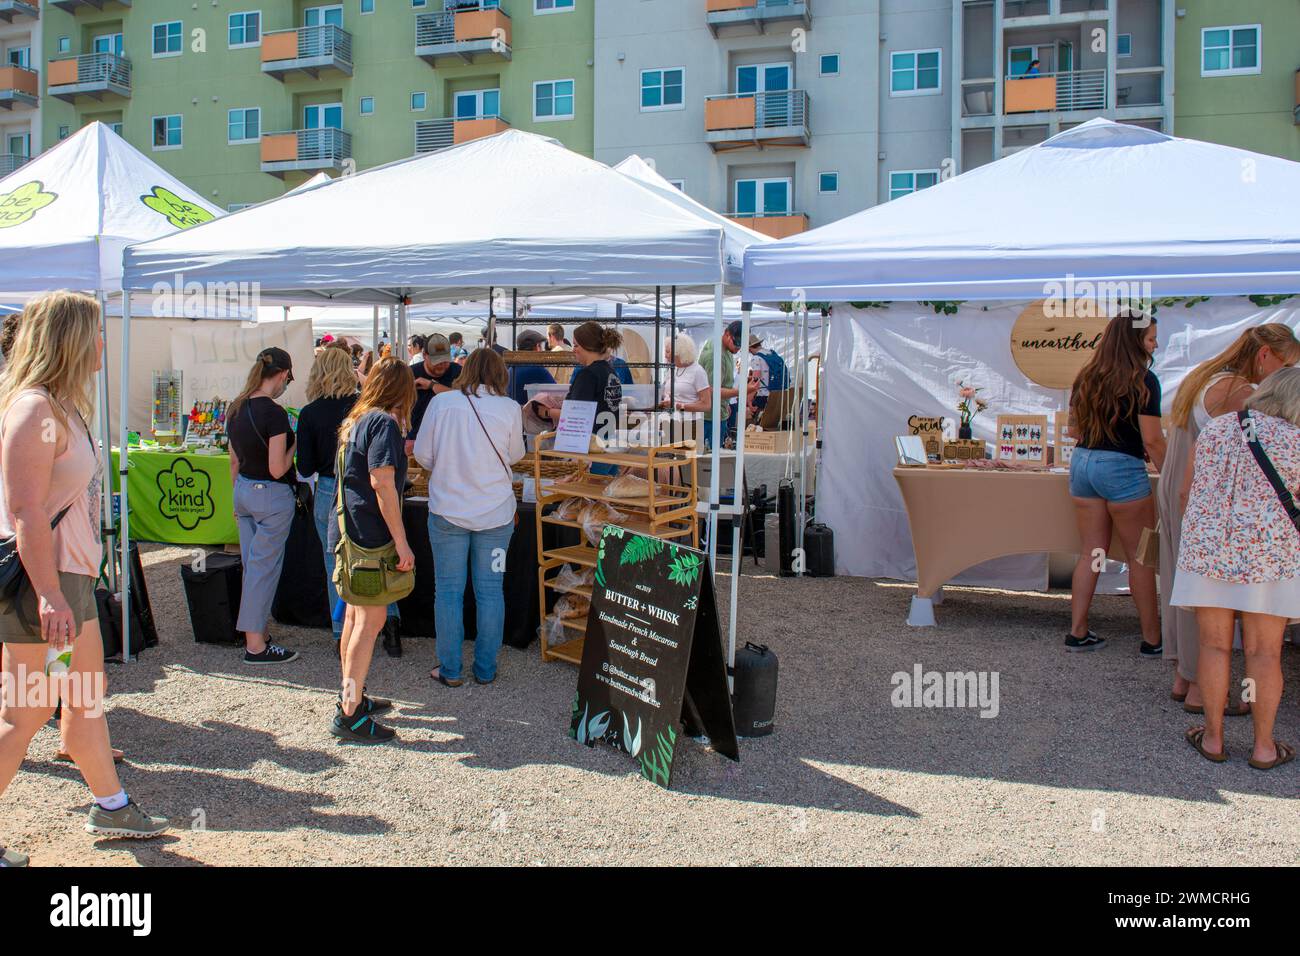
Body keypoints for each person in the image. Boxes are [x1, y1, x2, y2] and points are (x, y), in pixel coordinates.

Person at [0, 292, 168, 866]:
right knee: (22, 714)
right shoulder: (35, 409)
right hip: (42, 587)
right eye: (95, 333)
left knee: (85, 700)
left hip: (68, 581)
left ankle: (113, 804)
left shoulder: (61, 406)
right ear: (70, 340)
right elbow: (24, 511)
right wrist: (49, 595)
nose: (103, 344)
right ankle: (112, 804)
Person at [1158, 325, 1300, 711]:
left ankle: (1186, 679)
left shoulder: (1206, 373)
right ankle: (1204, 691)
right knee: (1211, 607)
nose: (1285, 374)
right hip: (1210, 502)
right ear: (1265, 354)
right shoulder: (1239, 391)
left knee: (1183, 589)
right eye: (1286, 364)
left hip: (1184, 488)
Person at [1173, 367, 1300, 770]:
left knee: (1214, 646)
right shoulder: (1296, 440)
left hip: (1209, 553)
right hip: (1270, 556)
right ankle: (1263, 747)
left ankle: (1213, 738)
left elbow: (1185, 491)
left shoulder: (1216, 428)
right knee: (1265, 653)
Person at [414, 349, 524, 687]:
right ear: (500, 373)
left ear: (466, 369)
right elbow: (517, 455)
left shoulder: (442, 404)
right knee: (491, 590)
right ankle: (486, 669)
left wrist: (450, 466)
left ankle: (450, 670)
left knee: (448, 591)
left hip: (448, 512)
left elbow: (422, 454)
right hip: (496, 516)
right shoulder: (509, 408)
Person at [1065, 311, 1165, 654]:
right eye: (1151, 338)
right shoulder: (1144, 380)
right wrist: (1168, 473)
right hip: (1122, 469)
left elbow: (1073, 431)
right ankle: (1152, 639)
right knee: (1141, 557)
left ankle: (1078, 631)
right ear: (1135, 340)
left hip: (1082, 464)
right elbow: (1153, 440)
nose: (1155, 344)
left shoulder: (1086, 376)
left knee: (1092, 551)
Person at [329, 357, 416, 743]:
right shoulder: (382, 423)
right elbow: (382, 483)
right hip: (370, 536)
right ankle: (350, 715)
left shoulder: (355, 420)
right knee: (370, 623)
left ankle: (351, 696)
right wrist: (401, 542)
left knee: (353, 618)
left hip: (349, 528)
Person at [226, 347, 301, 665]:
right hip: (270, 495)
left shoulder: (236, 407)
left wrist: (235, 497)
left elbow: (233, 460)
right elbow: (277, 467)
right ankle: (255, 645)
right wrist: (294, 442)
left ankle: (257, 631)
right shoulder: (275, 413)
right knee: (263, 569)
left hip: (243, 491)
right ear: (283, 374)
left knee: (253, 567)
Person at [535, 321, 624, 439]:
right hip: (606, 441)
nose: (573, 350)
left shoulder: (588, 375)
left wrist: (547, 412)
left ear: (588, 346)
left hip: (587, 444)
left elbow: (575, 415)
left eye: (576, 345)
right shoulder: (610, 372)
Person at [698, 320, 758, 447]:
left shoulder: (726, 349)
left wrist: (725, 403)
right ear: (726, 334)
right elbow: (710, 390)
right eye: (736, 343)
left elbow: (721, 384)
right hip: (710, 418)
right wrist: (742, 391)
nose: (738, 348)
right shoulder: (715, 355)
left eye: (741, 345)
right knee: (709, 460)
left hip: (717, 413)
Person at [406, 333, 461, 453]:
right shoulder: (410, 373)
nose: (442, 365)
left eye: (445, 361)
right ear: (425, 355)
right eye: (437, 361)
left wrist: (432, 385)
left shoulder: (457, 371)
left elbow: (465, 398)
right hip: (415, 439)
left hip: (450, 440)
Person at [658, 333, 713, 413]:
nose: (666, 356)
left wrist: (678, 406)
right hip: (670, 420)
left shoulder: (698, 371)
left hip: (688, 423)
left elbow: (706, 405)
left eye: (668, 352)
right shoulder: (673, 369)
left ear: (680, 352)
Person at [508, 329, 556, 405]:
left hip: (513, 413)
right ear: (537, 347)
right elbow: (556, 394)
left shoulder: (512, 368)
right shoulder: (536, 369)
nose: (542, 350)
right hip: (527, 414)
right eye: (540, 346)